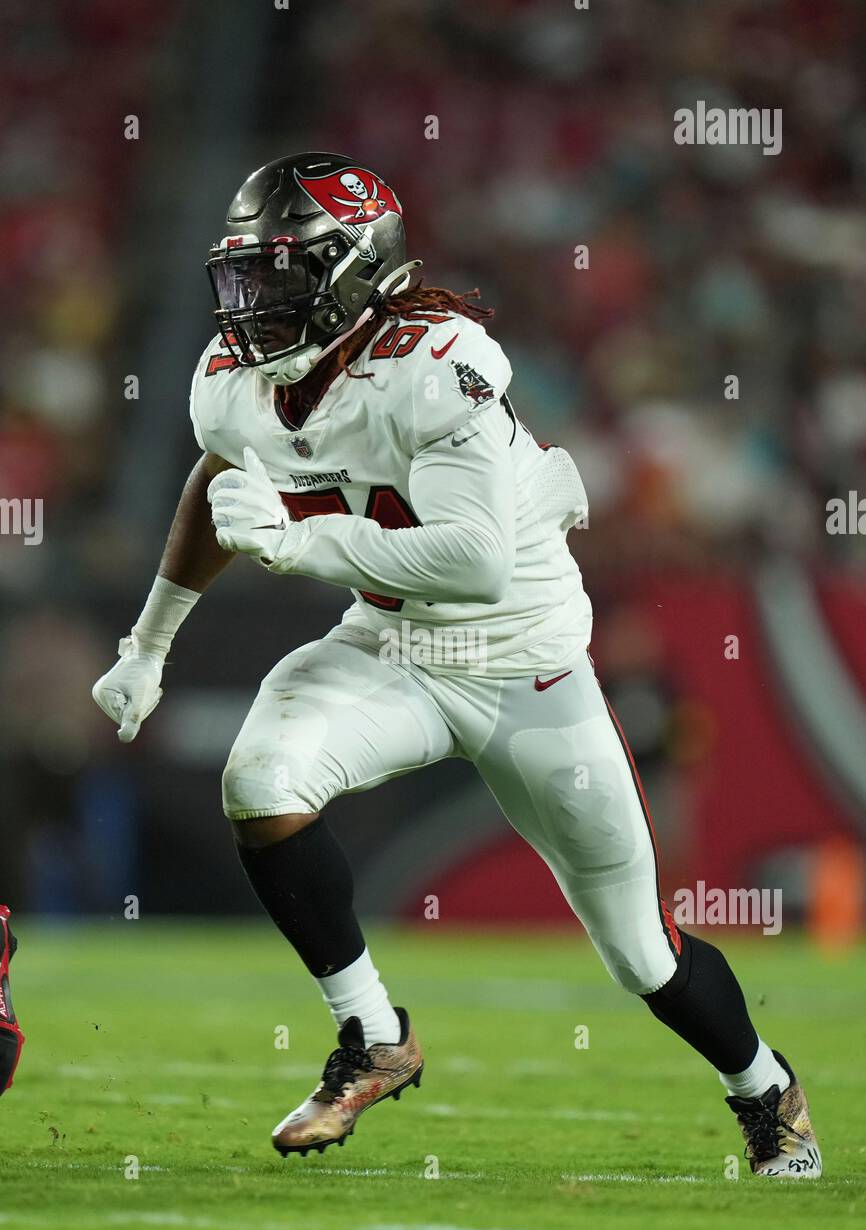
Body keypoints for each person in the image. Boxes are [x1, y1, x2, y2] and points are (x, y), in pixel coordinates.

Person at [93, 153, 821, 1176]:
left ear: (352, 273)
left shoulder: (436, 362)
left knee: (640, 956)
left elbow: (473, 565)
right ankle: (373, 1033)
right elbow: (220, 479)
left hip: (522, 663)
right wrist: (148, 644)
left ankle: (762, 1086)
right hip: (388, 644)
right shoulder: (239, 381)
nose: (253, 303)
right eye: (244, 274)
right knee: (261, 780)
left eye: (281, 274)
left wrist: (299, 547)